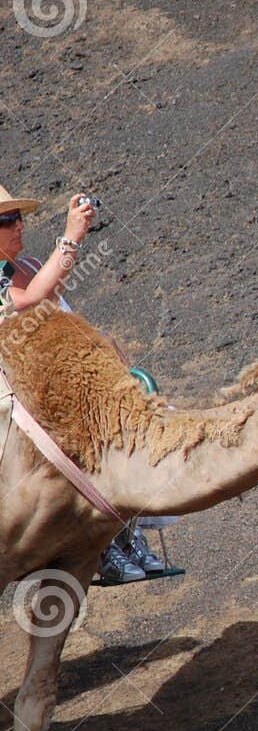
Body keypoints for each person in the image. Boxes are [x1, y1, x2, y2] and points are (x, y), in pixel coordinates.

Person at [0, 187, 164, 581]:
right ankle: (101, 547)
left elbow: (56, 306)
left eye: (18, 217)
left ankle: (125, 537)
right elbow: (33, 298)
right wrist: (71, 236)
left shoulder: (31, 264)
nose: (19, 225)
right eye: (7, 220)